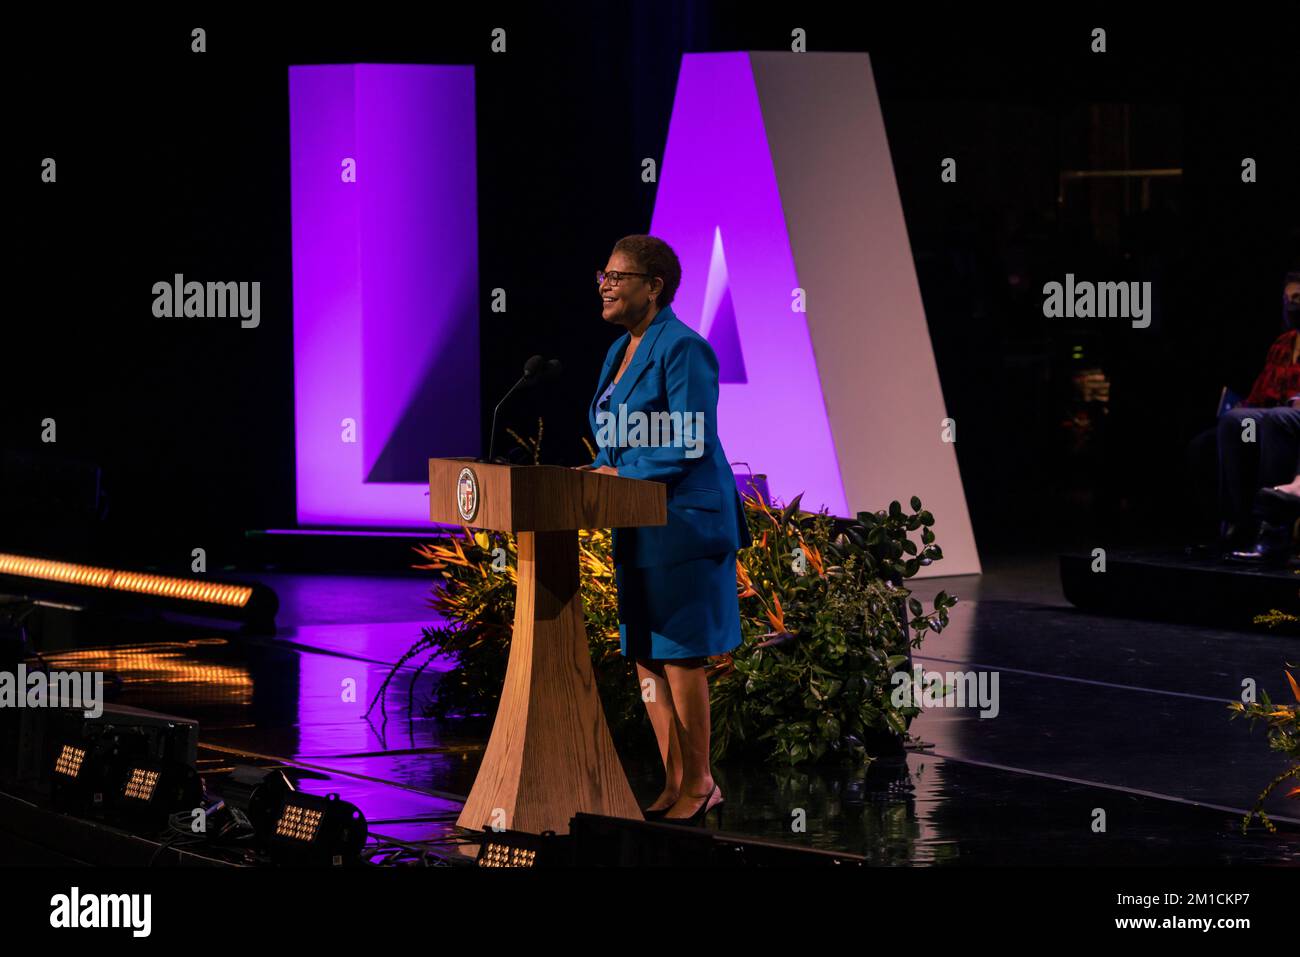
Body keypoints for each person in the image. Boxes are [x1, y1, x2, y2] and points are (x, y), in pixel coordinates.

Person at [573, 234, 752, 826]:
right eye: (604, 273)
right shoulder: (623, 347)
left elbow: (690, 439)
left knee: (681, 655)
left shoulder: (684, 349)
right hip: (639, 517)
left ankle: (700, 781)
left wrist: (619, 471)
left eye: (618, 276)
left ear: (654, 287)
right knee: (647, 655)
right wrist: (603, 471)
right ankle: (674, 777)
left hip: (684, 521)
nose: (605, 283)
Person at [1188, 271, 1300, 555]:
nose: (1291, 306)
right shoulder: (1283, 344)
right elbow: (1259, 394)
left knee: (1276, 419)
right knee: (1232, 424)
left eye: (1297, 298)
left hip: (1290, 418)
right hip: (1269, 417)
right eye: (1287, 299)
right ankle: (1239, 525)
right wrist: (1242, 407)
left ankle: (1272, 528)